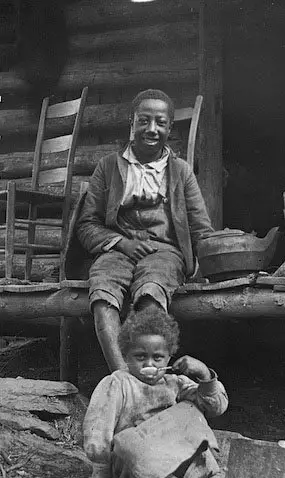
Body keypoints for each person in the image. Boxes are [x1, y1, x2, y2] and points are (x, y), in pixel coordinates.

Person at [71, 89, 215, 371]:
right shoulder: (108, 167)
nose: (152, 129)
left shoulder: (181, 171)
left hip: (164, 253)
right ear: (132, 123)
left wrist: (210, 266)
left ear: (169, 128)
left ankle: (151, 376)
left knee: (150, 296)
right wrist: (121, 244)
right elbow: (87, 224)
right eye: (144, 121)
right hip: (117, 251)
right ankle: (122, 378)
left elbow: (201, 228)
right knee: (102, 296)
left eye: (160, 123)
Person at [82, 306, 228, 478]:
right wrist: (102, 476)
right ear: (126, 356)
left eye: (157, 358)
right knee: (127, 444)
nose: (149, 364)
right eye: (140, 357)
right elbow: (99, 428)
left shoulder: (175, 383)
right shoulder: (118, 383)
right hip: (136, 461)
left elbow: (216, 407)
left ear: (169, 357)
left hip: (173, 456)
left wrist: (204, 374)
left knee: (191, 409)